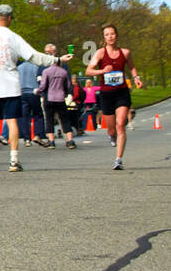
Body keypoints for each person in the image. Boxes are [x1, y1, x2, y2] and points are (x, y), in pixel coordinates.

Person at [0, 5, 69, 172]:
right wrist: (57, 60)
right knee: (12, 120)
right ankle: (13, 160)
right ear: (10, 18)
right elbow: (33, 56)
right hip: (10, 85)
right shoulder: (13, 37)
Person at [85, 23, 143, 170]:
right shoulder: (100, 53)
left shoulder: (125, 52)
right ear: (104, 38)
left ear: (116, 35)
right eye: (107, 34)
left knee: (120, 125)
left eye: (112, 34)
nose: (110, 36)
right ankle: (112, 137)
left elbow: (132, 67)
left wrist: (136, 77)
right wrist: (102, 71)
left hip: (122, 93)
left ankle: (118, 159)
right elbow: (88, 71)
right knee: (111, 129)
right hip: (106, 95)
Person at [36, 45, 78, 149]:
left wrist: (39, 92)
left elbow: (40, 82)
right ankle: (70, 140)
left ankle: (52, 141)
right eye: (46, 52)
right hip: (59, 96)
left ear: (55, 52)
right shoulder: (61, 67)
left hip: (47, 96)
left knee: (49, 119)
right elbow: (68, 82)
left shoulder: (45, 68)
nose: (48, 53)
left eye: (50, 52)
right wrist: (69, 93)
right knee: (64, 119)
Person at [18, 55, 50, 148]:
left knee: (24, 116)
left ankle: (26, 138)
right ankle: (38, 134)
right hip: (34, 92)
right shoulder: (36, 67)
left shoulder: (19, 68)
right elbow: (40, 80)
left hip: (22, 93)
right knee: (38, 114)